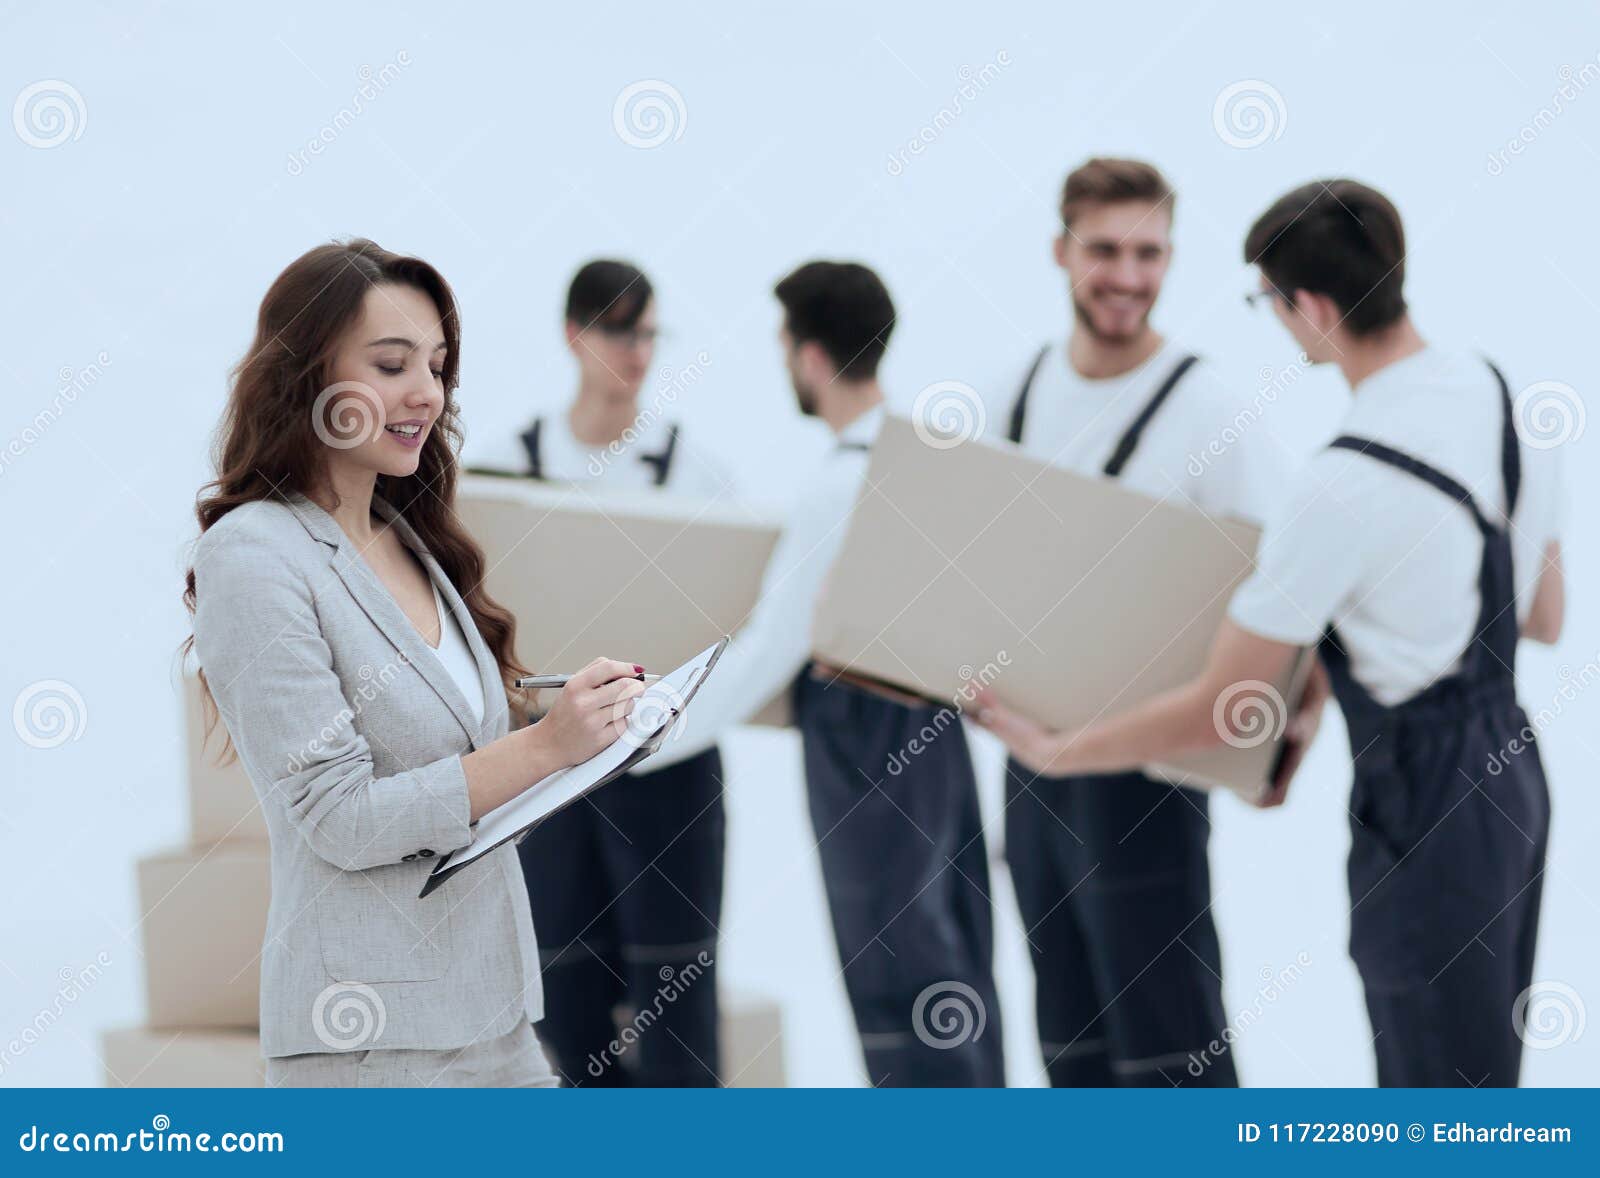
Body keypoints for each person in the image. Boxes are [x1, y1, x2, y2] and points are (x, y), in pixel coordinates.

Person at [972, 180, 1565, 1088]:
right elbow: (1543, 612)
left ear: (1314, 307)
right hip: (1513, 778)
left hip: (1421, 808)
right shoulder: (1495, 393)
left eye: (1273, 304)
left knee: (1432, 1096)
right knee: (1482, 1082)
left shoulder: (1335, 486)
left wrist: (1058, 753)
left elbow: (1223, 710)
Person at [185, 239, 647, 1088]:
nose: (427, 393)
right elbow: (342, 817)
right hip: (370, 1042)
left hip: (494, 1013)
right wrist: (544, 749)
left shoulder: (410, 539)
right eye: (393, 363)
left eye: (437, 366)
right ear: (307, 374)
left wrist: (588, 725)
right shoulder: (253, 556)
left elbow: (463, 769)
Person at [652, 261, 1005, 1086]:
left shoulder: (840, 484)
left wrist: (634, 742)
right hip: (936, 743)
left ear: (808, 356)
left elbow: (765, 656)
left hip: (865, 749)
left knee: (896, 977)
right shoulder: (932, 461)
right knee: (955, 968)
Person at [988, 157, 1292, 1088]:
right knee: (1070, 1048)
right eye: (1106, 249)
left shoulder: (1213, 411)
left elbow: (1289, 600)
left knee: (1172, 1054)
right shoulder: (1018, 391)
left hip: (1150, 784)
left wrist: (1283, 740)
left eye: (1150, 252)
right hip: (1029, 776)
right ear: (1061, 250)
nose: (1128, 274)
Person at [475, 260, 730, 1086]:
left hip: (667, 768)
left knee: (678, 991)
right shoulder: (503, 468)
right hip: (549, 768)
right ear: (574, 336)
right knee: (566, 994)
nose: (639, 350)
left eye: (651, 332)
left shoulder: (696, 473)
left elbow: (729, 624)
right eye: (621, 331)